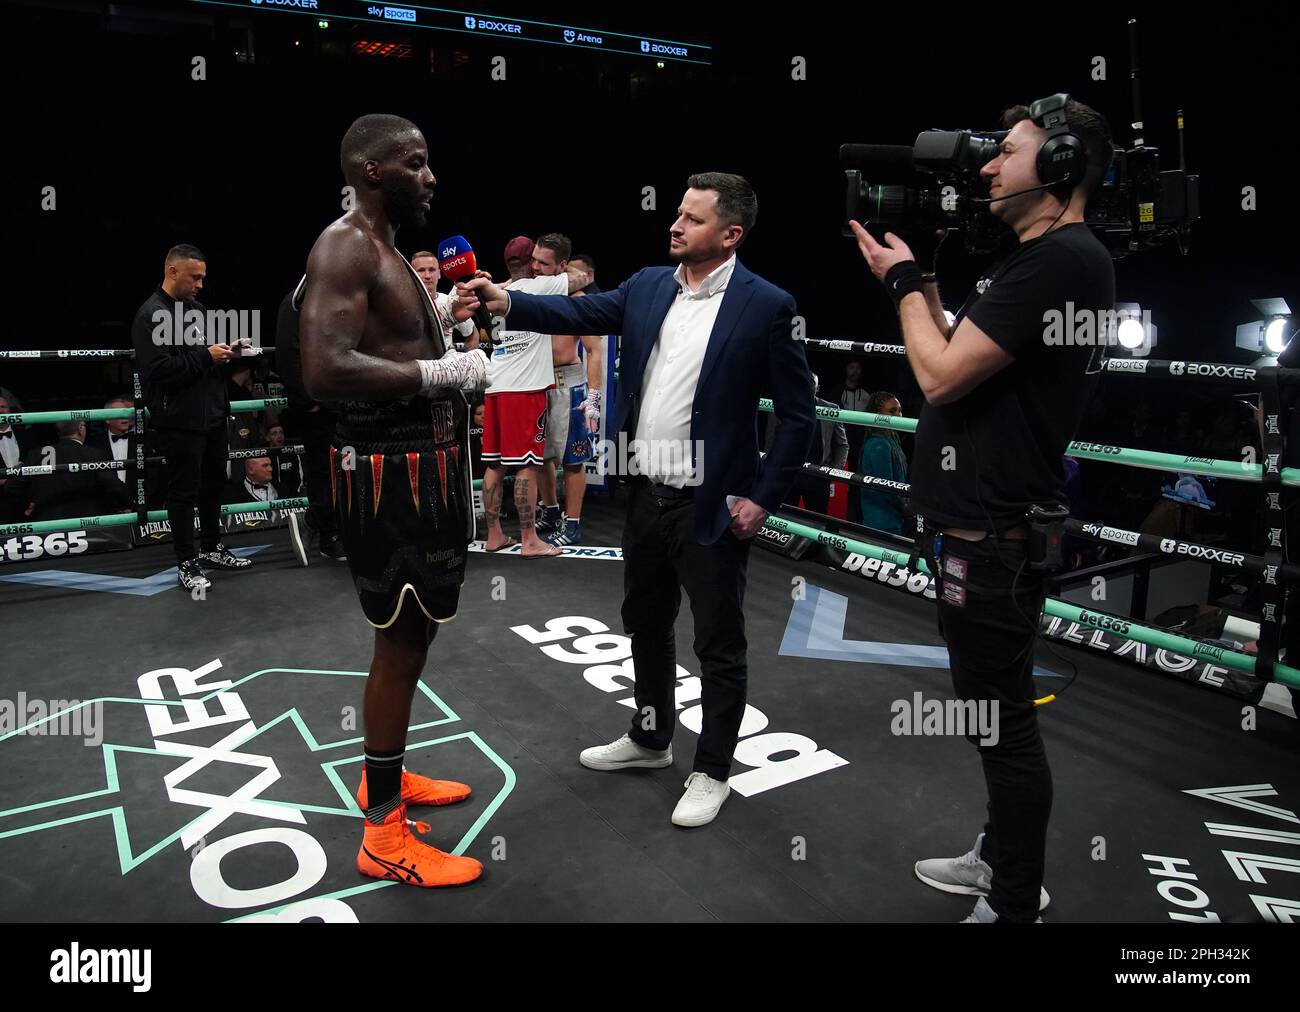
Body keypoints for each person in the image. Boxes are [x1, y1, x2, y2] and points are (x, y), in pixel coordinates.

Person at [464, 171, 815, 827]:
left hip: (710, 504)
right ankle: (652, 739)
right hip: (647, 498)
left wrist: (763, 498)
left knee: (718, 643)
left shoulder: (769, 304)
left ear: (731, 234)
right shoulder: (650, 284)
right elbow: (576, 311)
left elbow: (799, 416)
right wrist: (505, 300)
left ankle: (712, 769)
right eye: (677, 213)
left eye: (693, 218)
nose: (675, 225)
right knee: (645, 626)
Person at [852, 95, 1115, 922]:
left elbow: (934, 377)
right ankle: (999, 861)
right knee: (992, 724)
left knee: (1005, 736)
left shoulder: (1061, 261)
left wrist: (896, 285)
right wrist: (922, 276)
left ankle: (1011, 901)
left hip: (995, 545)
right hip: (979, 540)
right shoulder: (1032, 261)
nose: (989, 167)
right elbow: (955, 354)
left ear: (1064, 165)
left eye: (1007, 151)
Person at [299, 113, 490, 889]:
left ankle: (388, 774)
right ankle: (382, 833)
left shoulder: (385, 252)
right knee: (400, 642)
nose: (431, 176)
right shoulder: (346, 243)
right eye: (416, 163)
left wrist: (441, 339)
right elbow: (324, 369)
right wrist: (437, 376)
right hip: (390, 477)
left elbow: (384, 342)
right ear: (372, 170)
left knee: (413, 639)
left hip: (422, 470)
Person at [131, 244, 253, 593]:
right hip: (179, 419)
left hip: (212, 413)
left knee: (215, 482)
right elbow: (159, 372)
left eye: (203, 277)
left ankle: (212, 547)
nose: (201, 284)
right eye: (194, 277)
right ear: (172, 272)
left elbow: (204, 356)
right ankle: (186, 562)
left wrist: (229, 351)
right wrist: (205, 357)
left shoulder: (196, 309)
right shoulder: (150, 315)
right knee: (184, 491)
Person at [478, 234, 590, 557]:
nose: (540, 267)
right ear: (529, 263)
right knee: (527, 465)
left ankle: (494, 535)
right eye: (536, 261)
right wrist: (559, 272)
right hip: (523, 391)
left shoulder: (496, 292)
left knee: (495, 465)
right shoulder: (539, 286)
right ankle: (529, 539)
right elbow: (583, 278)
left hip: (495, 386)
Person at [535, 238, 604, 546]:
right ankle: (550, 512)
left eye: (543, 263)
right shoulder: (532, 295)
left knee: (572, 461)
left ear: (562, 267)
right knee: (541, 456)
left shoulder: (578, 301)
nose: (535, 268)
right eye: (534, 261)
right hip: (536, 383)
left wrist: (593, 397)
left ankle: (572, 523)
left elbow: (594, 350)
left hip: (569, 386)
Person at [275, 284, 346, 563]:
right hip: (318, 405)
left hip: (345, 399)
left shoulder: (343, 295)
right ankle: (324, 529)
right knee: (323, 470)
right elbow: (286, 353)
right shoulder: (296, 301)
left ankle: (326, 527)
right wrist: (307, 400)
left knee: (346, 469)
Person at [1, 420, 131, 523]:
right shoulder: (94, 454)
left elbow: (11, 487)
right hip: (90, 523)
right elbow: (114, 486)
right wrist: (127, 504)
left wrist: (29, 503)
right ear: (81, 429)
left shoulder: (36, 454)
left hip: (47, 523)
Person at [858, 390, 907, 535]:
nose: (898, 415)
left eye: (900, 410)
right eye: (892, 411)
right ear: (878, 415)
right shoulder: (879, 445)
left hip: (893, 519)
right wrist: (908, 508)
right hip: (882, 523)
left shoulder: (892, 440)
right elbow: (888, 489)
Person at [411, 250, 480, 350]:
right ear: (412, 275)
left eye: (432, 270)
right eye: (421, 270)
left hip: (444, 363)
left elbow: (473, 334)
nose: (427, 276)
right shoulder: (403, 305)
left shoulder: (449, 303)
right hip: (416, 364)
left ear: (439, 274)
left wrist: (467, 360)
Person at [86, 396, 135, 485]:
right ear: (107, 419)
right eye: (119, 413)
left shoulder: (141, 439)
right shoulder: (94, 444)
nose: (125, 417)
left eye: (126, 413)